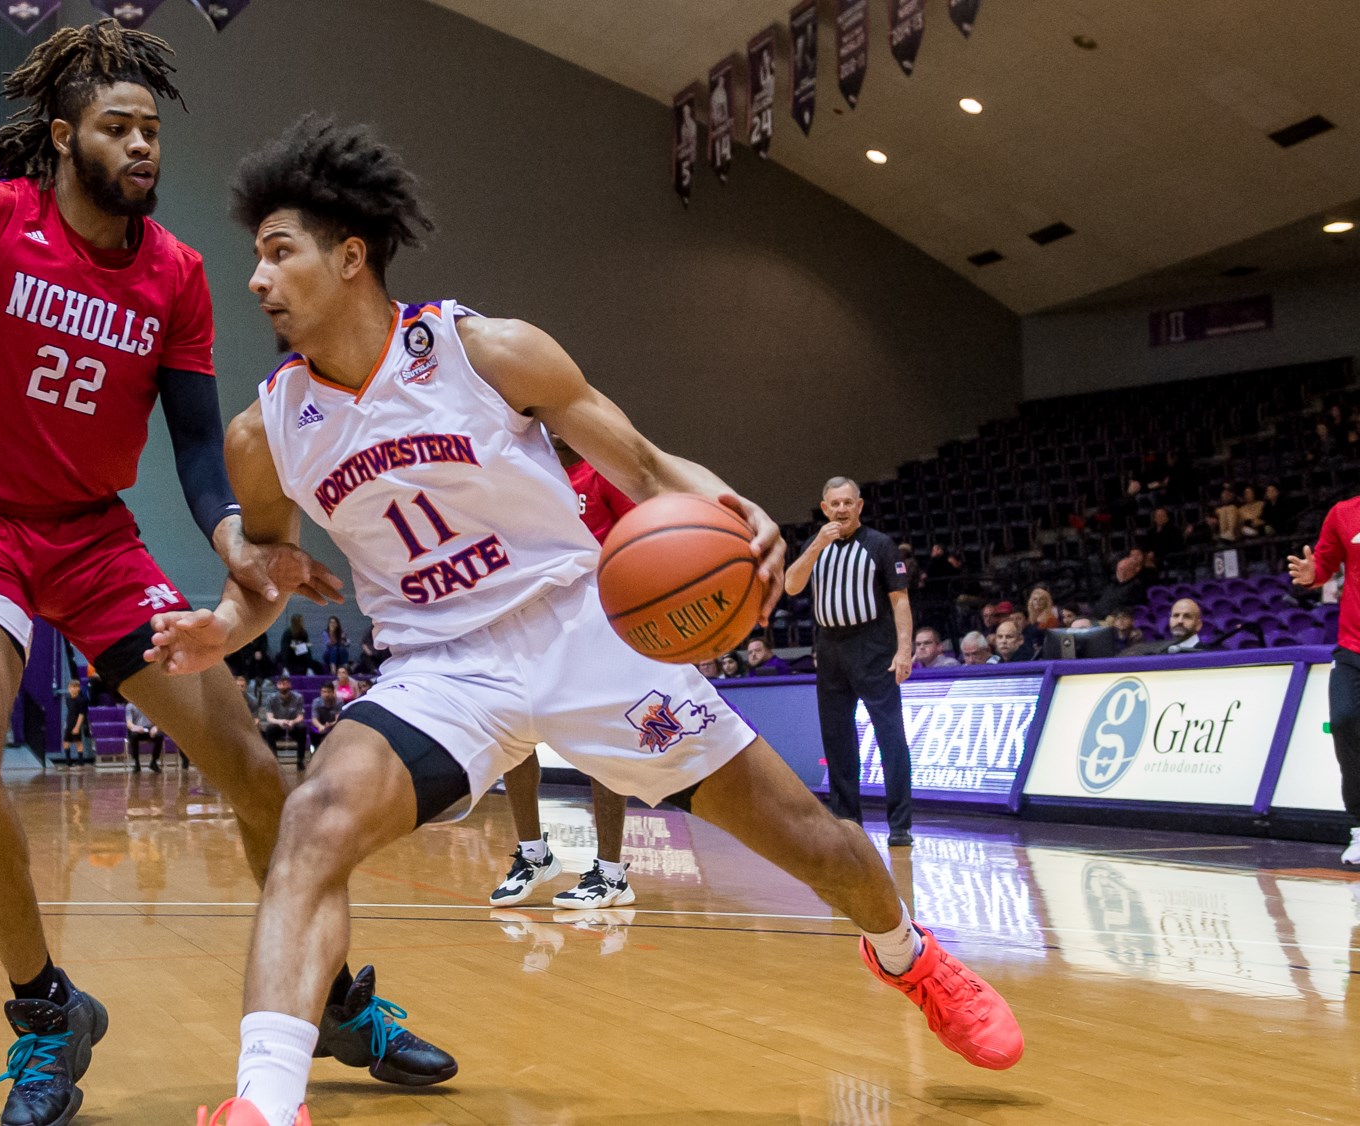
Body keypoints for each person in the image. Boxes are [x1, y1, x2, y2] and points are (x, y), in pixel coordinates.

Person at [156, 117, 1021, 1126]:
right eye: (255, 257)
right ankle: (265, 1102)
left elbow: (645, 467)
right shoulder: (266, 432)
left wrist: (734, 508)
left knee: (814, 842)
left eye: (278, 252)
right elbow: (268, 572)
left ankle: (907, 956)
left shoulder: (484, 350)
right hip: (439, 667)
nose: (256, 279)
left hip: (582, 631)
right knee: (313, 820)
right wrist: (228, 623)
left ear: (350, 257)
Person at [0, 24, 448, 1121]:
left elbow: (197, 448)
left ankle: (338, 1002)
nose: (143, 145)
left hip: (97, 540)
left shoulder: (177, 274)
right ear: (64, 137)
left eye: (152, 129)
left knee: (256, 773)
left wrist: (232, 543)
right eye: (118, 127)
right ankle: (46, 1011)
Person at [491, 441, 641, 912]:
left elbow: (642, 542)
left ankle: (612, 874)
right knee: (513, 737)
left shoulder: (601, 474)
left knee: (603, 745)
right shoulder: (529, 479)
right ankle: (533, 855)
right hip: (533, 622)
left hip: (597, 625)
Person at [784, 477, 918, 847]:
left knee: (890, 735)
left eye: (848, 502)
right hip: (830, 648)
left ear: (859, 506)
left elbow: (900, 601)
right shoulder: (816, 545)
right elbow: (791, 585)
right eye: (835, 504)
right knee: (837, 737)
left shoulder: (880, 545)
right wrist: (817, 545)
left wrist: (903, 649)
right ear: (824, 508)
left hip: (873, 645)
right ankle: (847, 821)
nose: (841, 509)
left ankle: (900, 825)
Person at [1289, 506, 1360, 865]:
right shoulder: (1343, 514)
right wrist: (1312, 573)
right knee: (1345, 720)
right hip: (1353, 647)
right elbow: (1324, 565)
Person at [261, 675, 308, 768]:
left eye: (285, 683)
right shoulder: (271, 698)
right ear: (277, 685)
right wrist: (280, 722)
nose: (283, 686)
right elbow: (269, 718)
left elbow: (300, 716)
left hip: (293, 725)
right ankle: (274, 761)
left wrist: (293, 722)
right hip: (278, 724)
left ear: (290, 685)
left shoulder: (298, 697)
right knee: (269, 729)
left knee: (302, 728)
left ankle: (300, 760)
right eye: (280, 684)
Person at [59, 678, 93, 765]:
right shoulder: (68, 699)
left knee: (78, 742)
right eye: (70, 687)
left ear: (78, 688)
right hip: (69, 722)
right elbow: (70, 711)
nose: (72, 689)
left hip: (76, 723)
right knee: (66, 742)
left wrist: (77, 727)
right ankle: (68, 761)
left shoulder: (81, 700)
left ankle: (81, 761)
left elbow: (81, 715)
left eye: (74, 687)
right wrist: (67, 723)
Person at [125, 699, 165, 772]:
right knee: (133, 736)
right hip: (137, 729)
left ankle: (154, 762)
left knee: (160, 736)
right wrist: (136, 728)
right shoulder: (130, 706)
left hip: (149, 729)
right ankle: (136, 763)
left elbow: (160, 721)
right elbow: (129, 724)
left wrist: (156, 727)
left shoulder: (153, 704)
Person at [307, 683, 341, 755]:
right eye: (324, 692)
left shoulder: (339, 702)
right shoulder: (316, 702)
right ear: (321, 692)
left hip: (333, 726)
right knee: (312, 731)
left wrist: (331, 724)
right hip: (320, 726)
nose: (326, 694)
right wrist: (320, 726)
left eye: (329, 692)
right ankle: (314, 753)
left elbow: (338, 719)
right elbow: (314, 719)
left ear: (333, 692)